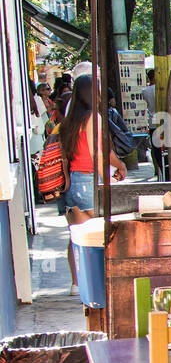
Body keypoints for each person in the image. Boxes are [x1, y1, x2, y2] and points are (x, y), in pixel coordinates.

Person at [57, 75, 126, 282]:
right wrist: (107, 180)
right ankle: (98, 282)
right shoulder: (93, 118)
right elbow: (98, 153)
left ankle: (76, 284)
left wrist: (118, 164)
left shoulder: (69, 121)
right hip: (88, 182)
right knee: (100, 237)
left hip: (72, 184)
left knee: (76, 238)